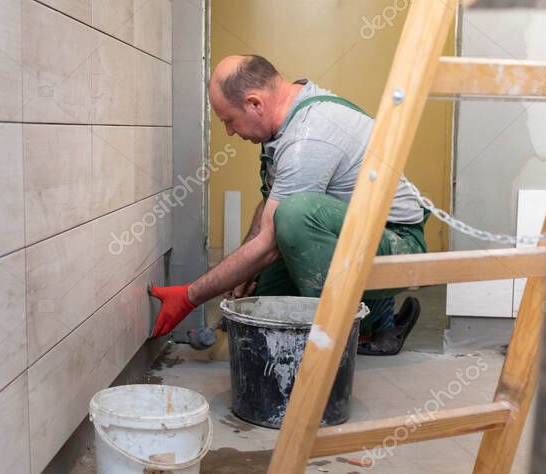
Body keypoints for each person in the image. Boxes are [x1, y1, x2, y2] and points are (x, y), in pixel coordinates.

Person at [149, 54, 427, 355]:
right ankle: (367, 312)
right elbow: (270, 201)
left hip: (398, 242)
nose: (229, 132)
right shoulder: (292, 110)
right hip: (354, 230)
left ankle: (352, 334)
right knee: (262, 299)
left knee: (296, 216)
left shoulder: (308, 139)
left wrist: (190, 296)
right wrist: (245, 273)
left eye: (228, 120)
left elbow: (271, 240)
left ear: (255, 103)